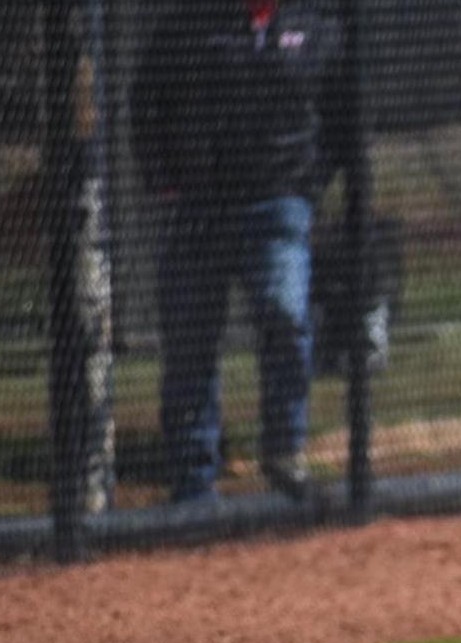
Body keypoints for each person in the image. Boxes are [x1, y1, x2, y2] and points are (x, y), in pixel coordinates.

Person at [132, 0, 343, 502]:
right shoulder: (188, 24)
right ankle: (193, 482)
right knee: (190, 340)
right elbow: (146, 101)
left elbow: (343, 116)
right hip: (198, 208)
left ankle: (285, 453)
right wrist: (165, 180)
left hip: (278, 202)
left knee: (285, 315)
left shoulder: (316, 29)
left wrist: (308, 185)